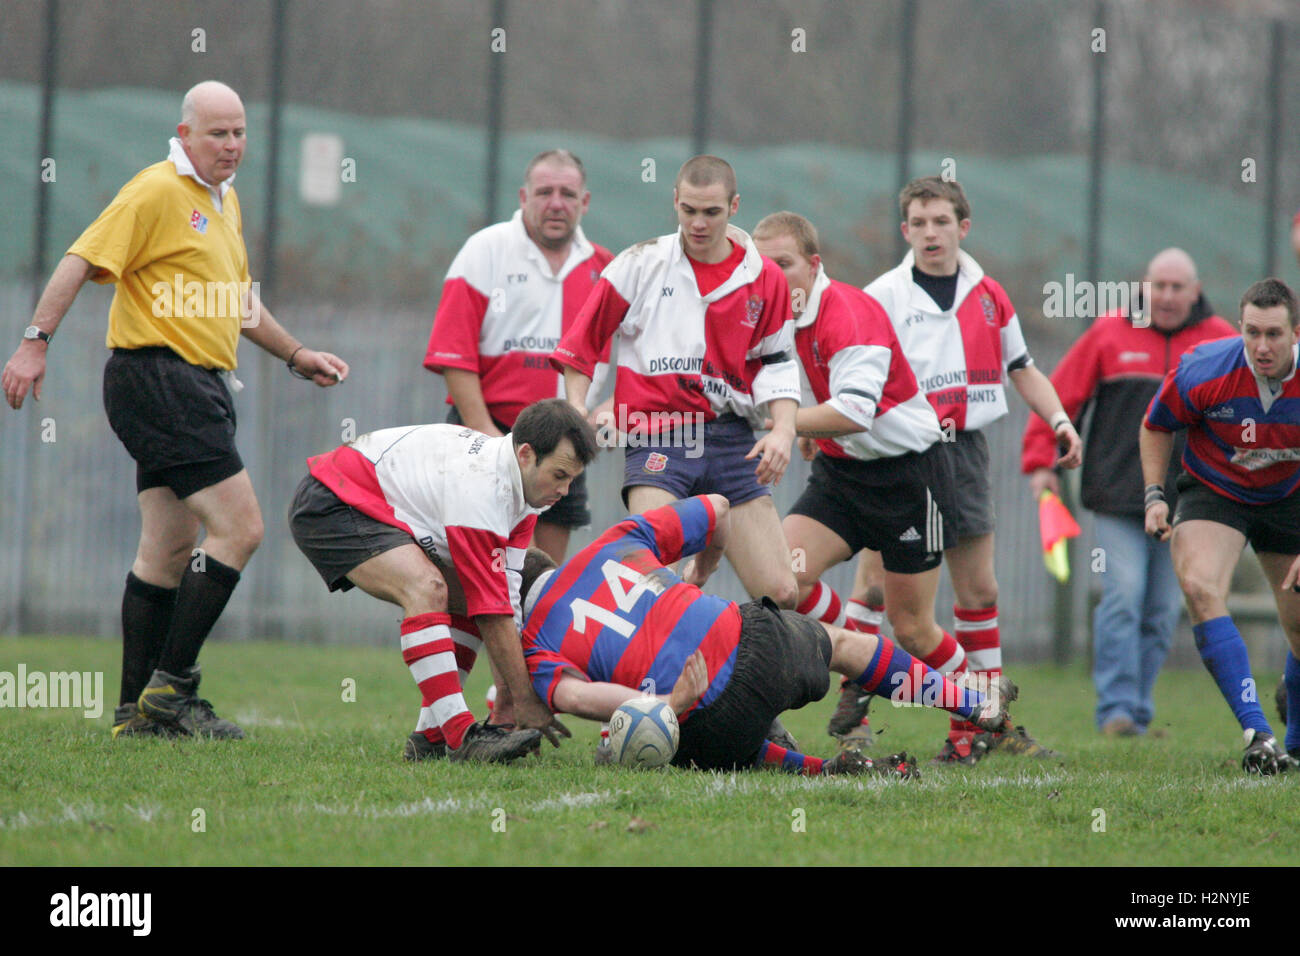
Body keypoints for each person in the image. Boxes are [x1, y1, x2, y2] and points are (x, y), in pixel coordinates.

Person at [1, 81, 348, 740]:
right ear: (185, 135)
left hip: (194, 385)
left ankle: (136, 713)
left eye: (240, 132)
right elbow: (79, 258)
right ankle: (174, 688)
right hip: (159, 377)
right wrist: (33, 343)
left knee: (166, 551)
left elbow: (239, 303)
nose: (232, 145)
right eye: (218, 132)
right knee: (242, 528)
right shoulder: (156, 189)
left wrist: (295, 353)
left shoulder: (226, 201)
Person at [518, 494, 1014, 775]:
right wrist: (701, 570)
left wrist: (668, 703)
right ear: (553, 564)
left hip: (702, 723)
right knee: (842, 645)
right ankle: (972, 704)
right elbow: (716, 508)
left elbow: (580, 697)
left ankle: (837, 771)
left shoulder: (533, 641)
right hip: (751, 644)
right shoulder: (612, 541)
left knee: (716, 750)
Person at [751, 212, 990, 757]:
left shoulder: (851, 312)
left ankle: (981, 711)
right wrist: (803, 426)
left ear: (813, 265)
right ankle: (863, 647)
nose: (771, 275)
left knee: (914, 630)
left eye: (782, 263)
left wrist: (787, 424)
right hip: (842, 476)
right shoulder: (769, 315)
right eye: (761, 265)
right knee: (778, 580)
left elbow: (855, 412)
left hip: (912, 477)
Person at [863, 176, 1082, 764]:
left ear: (963, 227)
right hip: (906, 456)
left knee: (980, 591)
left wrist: (1060, 418)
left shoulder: (989, 294)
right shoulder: (881, 295)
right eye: (918, 222)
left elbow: (1024, 368)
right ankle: (877, 707)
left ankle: (976, 731)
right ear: (904, 229)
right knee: (898, 605)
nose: (929, 232)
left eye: (941, 221)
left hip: (967, 451)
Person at [551, 155, 803, 608]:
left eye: (712, 212)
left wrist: (784, 429)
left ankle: (738, 669)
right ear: (674, 202)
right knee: (654, 580)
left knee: (782, 593)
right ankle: (656, 677)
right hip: (658, 432)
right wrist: (575, 408)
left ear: (735, 207)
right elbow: (581, 345)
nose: (699, 223)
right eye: (688, 210)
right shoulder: (639, 263)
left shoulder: (765, 278)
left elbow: (778, 362)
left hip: (731, 439)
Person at [288, 398, 595, 763]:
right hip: (334, 500)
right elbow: (493, 610)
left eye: (571, 480)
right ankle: (461, 736)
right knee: (427, 588)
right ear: (526, 454)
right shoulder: (481, 488)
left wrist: (509, 703)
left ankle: (430, 737)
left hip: (364, 501)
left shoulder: (525, 495)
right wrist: (526, 699)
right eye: (559, 475)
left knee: (470, 593)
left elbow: (505, 599)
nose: (564, 490)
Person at [1022, 249, 1235, 737]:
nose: (1165, 296)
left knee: (1161, 610)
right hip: (1119, 497)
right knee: (1124, 597)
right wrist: (1040, 462)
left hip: (1189, 501)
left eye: (1176, 287)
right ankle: (1115, 711)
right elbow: (1061, 395)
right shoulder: (1110, 332)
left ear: (1195, 291)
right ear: (1144, 286)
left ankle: (1137, 712)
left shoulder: (1221, 341)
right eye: (1158, 286)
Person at [424, 149, 613, 563]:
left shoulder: (606, 269)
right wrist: (490, 440)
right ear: (524, 197)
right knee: (470, 568)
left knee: (540, 576)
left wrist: (609, 411)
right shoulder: (485, 250)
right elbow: (454, 357)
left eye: (567, 193)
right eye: (545, 192)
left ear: (585, 202)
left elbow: (641, 357)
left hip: (566, 436)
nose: (556, 203)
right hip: (486, 432)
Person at [1142, 277, 1300, 774]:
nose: (1262, 346)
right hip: (1217, 491)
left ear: (1296, 333)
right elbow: (1156, 425)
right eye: (1252, 332)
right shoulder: (1203, 370)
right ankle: (1258, 733)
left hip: (1289, 497)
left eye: (1274, 334)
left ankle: (1292, 743)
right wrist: (1154, 497)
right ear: (1239, 328)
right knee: (1200, 586)